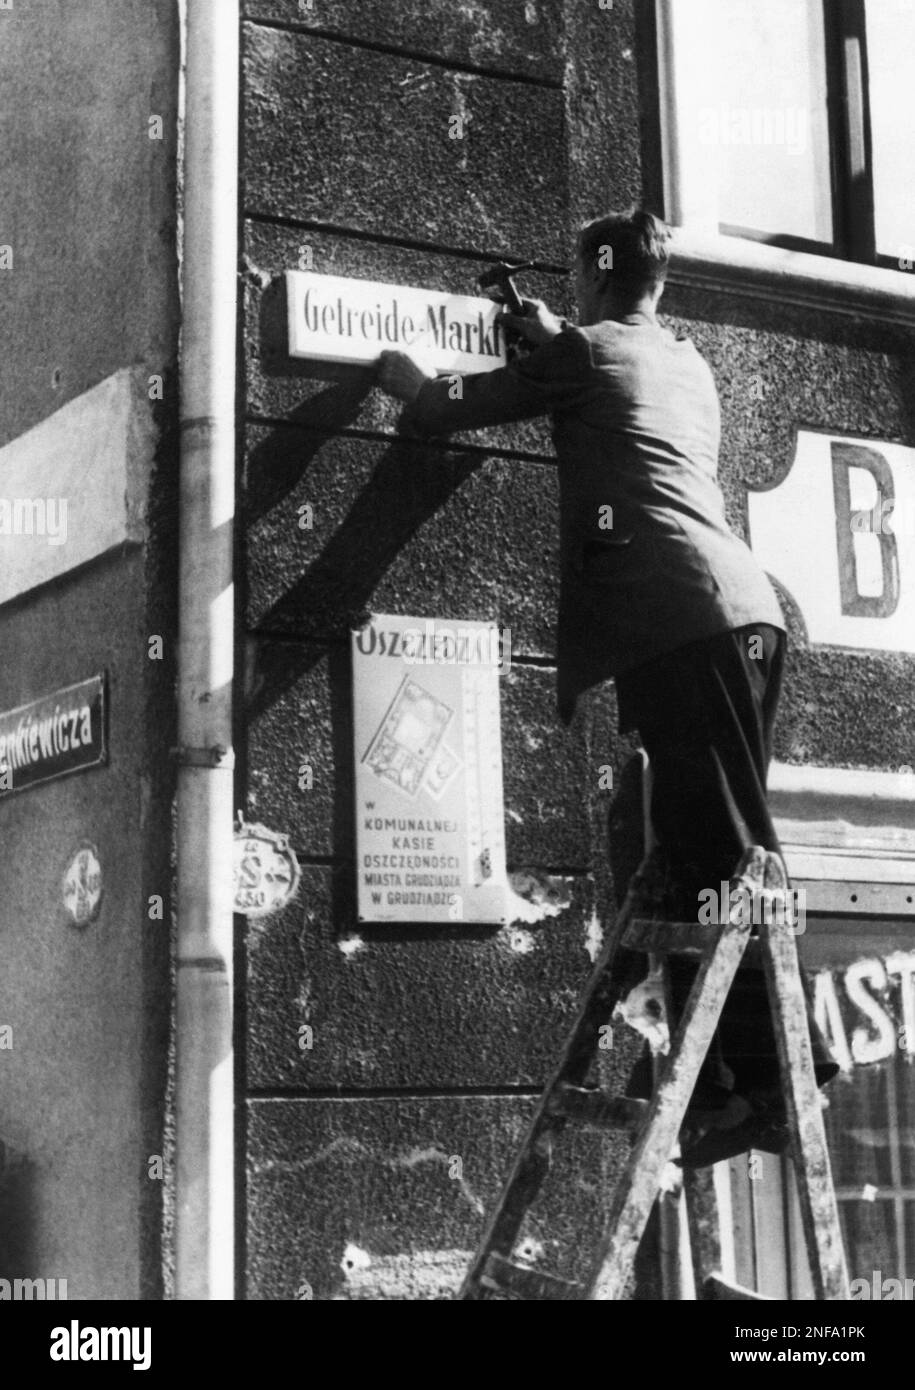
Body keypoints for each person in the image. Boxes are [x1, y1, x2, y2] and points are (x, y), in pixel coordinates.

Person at [376, 208, 837, 1166]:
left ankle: (779, 1084)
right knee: (711, 842)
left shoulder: (584, 353)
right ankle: (733, 1082)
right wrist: (559, 339)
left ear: (589, 279)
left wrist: (399, 374)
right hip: (741, 614)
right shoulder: (682, 360)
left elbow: (449, 406)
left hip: (679, 624)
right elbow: (611, 384)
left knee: (722, 853)